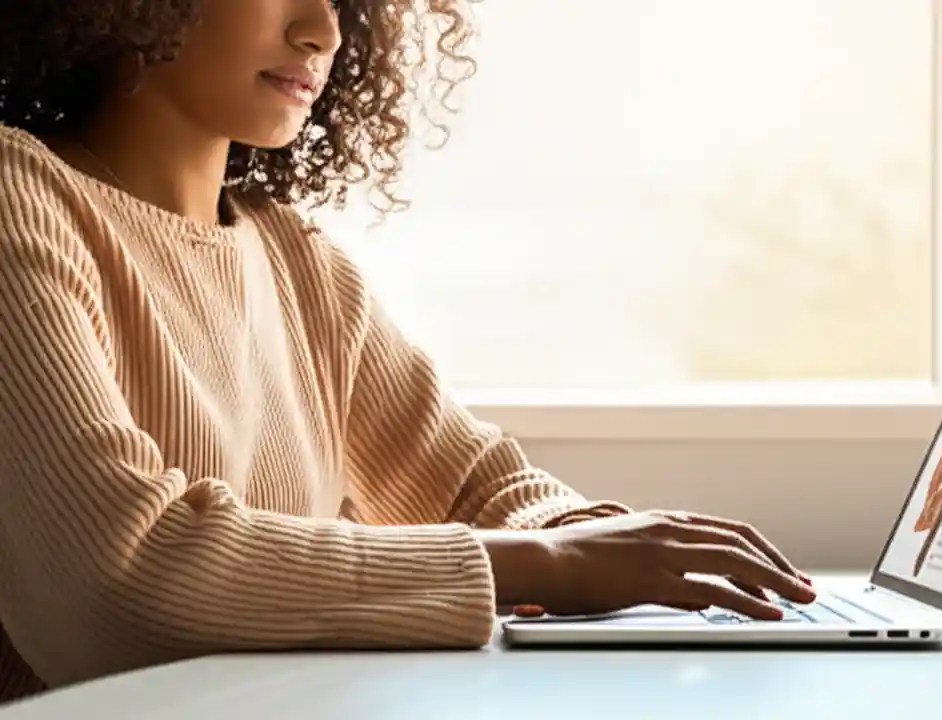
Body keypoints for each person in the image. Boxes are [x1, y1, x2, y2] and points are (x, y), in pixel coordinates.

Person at [0, 0, 816, 703]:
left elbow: (467, 481)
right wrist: (552, 562)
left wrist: (633, 557)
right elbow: (116, 586)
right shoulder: (18, 199)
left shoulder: (292, 257)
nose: (324, 31)